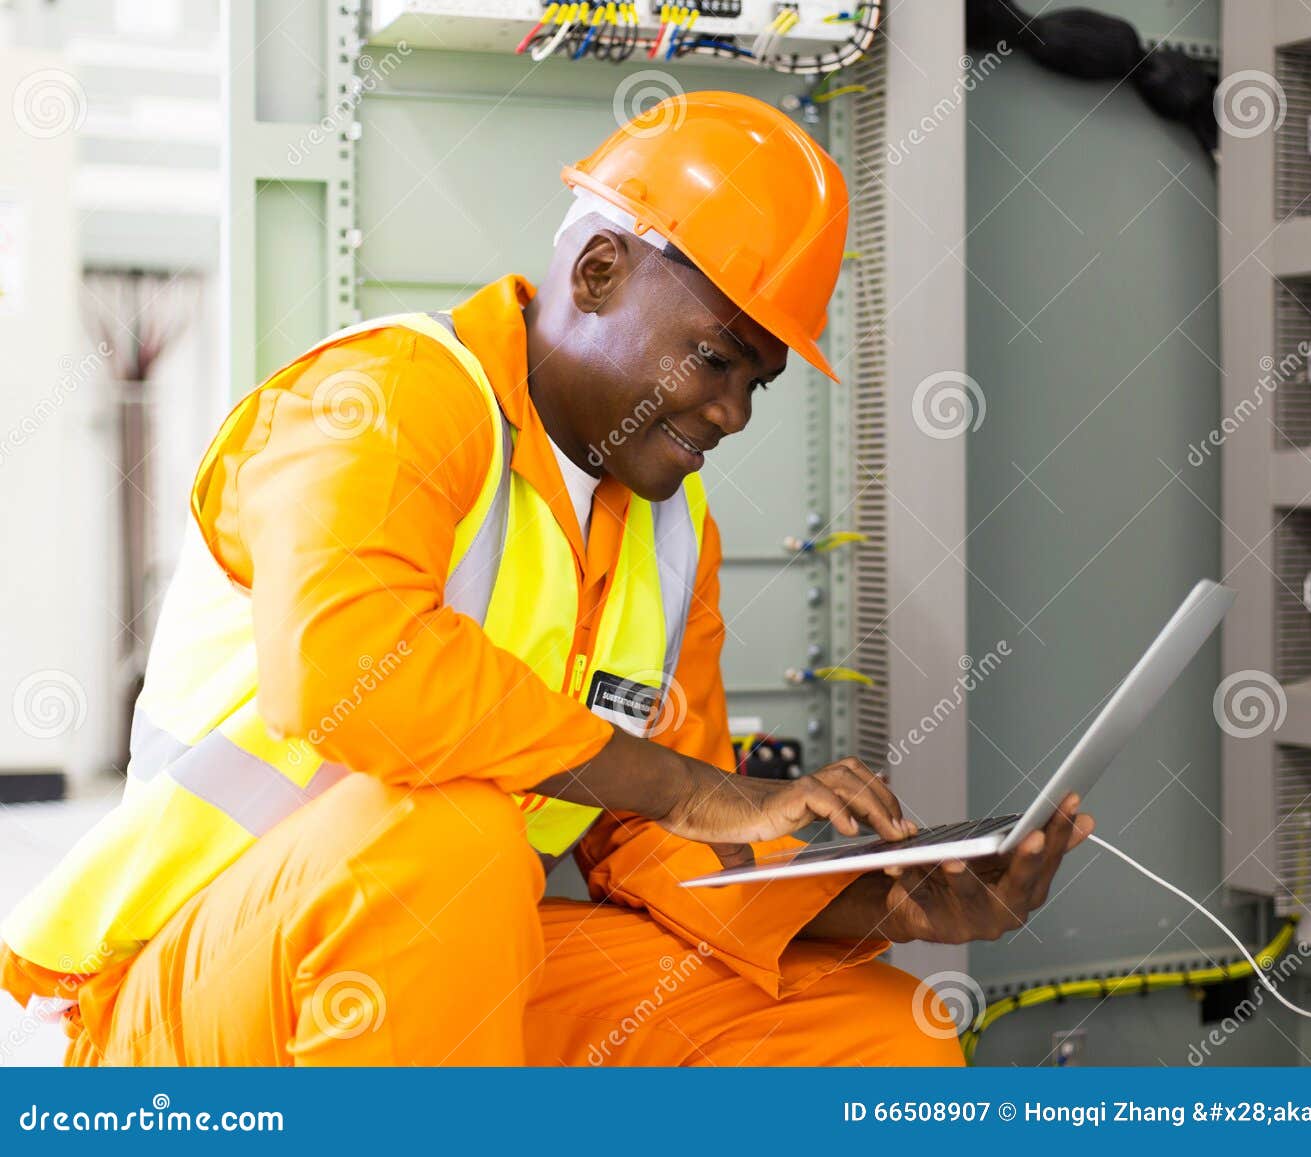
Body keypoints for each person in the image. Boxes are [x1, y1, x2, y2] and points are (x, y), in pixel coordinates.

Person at [0, 90, 1093, 1066]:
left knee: (871, 1029)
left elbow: (664, 847)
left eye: (755, 381)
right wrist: (702, 788)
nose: (732, 413)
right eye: (716, 356)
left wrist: (883, 903)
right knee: (452, 847)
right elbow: (349, 667)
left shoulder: (671, 531)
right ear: (598, 271)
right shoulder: (384, 397)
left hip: (445, 973)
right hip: (189, 1003)